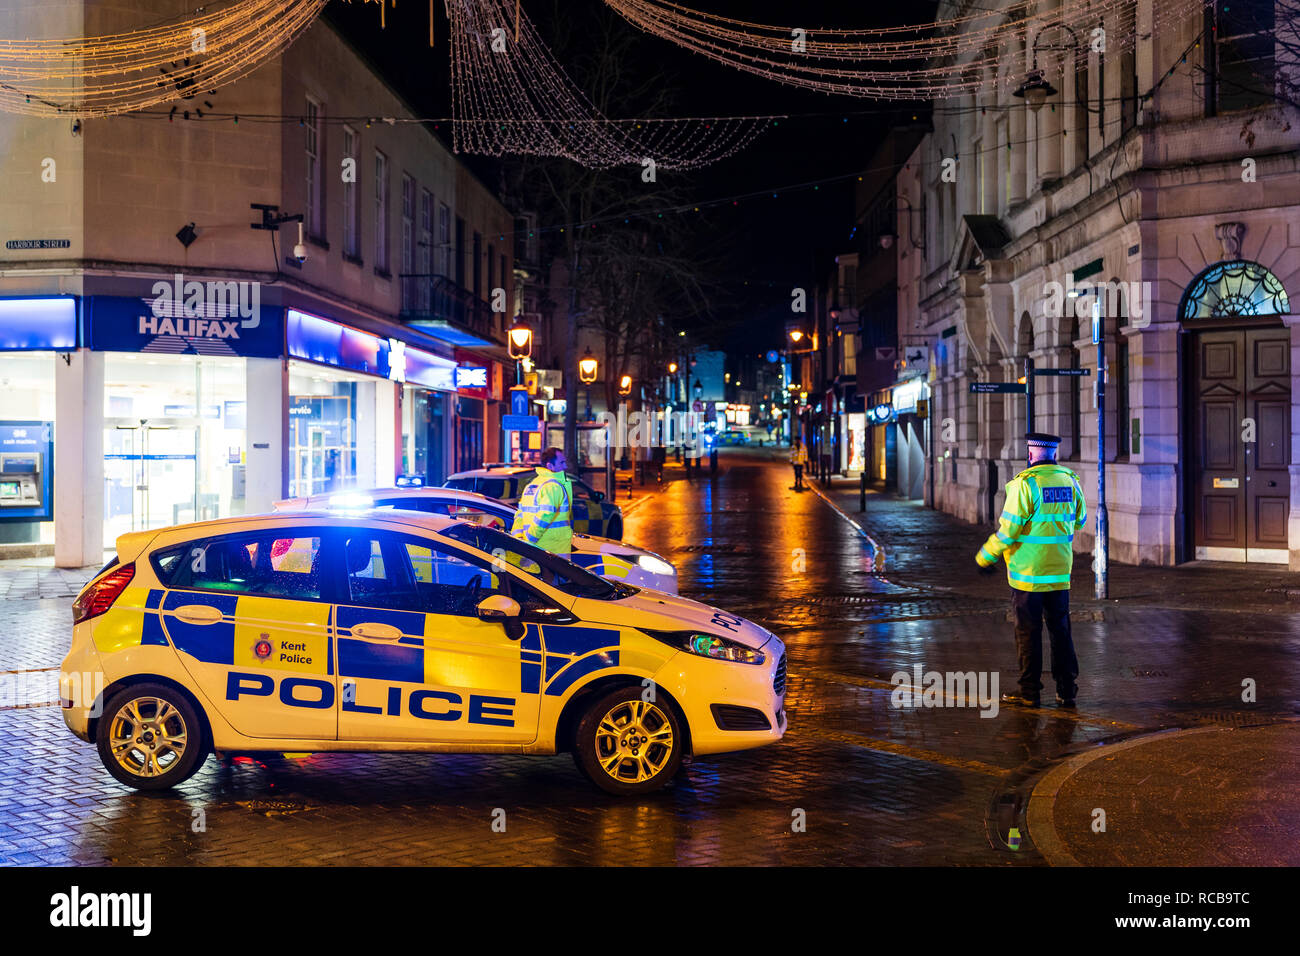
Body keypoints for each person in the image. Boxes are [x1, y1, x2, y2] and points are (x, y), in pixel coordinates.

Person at [975, 432, 1087, 707]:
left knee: (1028, 632)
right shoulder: (1070, 482)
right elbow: (1080, 521)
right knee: (1061, 631)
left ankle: (1030, 692)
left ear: (1030, 455)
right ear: (1054, 454)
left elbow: (1008, 532)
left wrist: (985, 557)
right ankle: (1066, 690)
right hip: (1060, 573)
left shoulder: (1024, 485)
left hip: (1028, 575)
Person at [510, 447, 574, 555]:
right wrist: (529, 542)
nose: (565, 466)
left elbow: (520, 515)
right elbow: (545, 515)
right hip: (552, 550)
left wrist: (519, 539)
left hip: (534, 549)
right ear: (550, 466)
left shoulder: (531, 485)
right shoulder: (553, 486)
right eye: (562, 462)